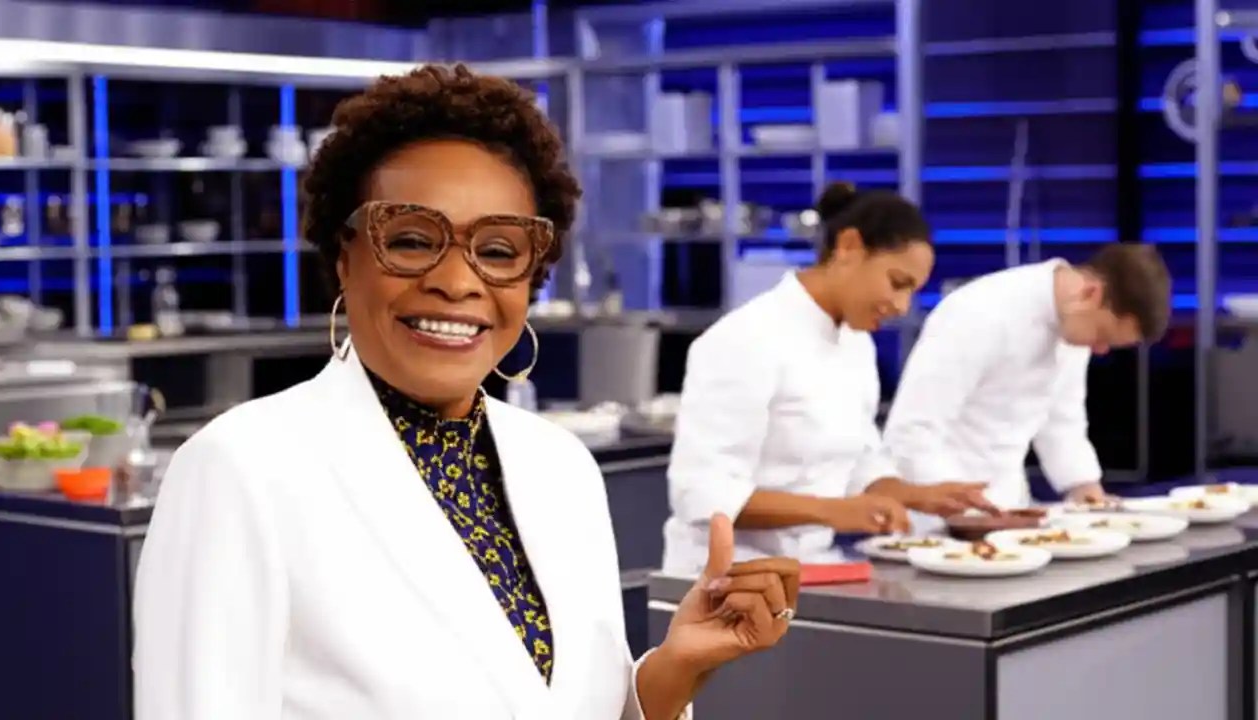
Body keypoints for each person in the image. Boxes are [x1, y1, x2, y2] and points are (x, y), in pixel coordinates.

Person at [132, 65, 801, 720]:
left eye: (501, 250)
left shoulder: (560, 466)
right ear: (346, 256)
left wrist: (670, 674)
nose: (457, 282)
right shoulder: (241, 468)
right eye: (414, 241)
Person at [660, 182, 996, 576]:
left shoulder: (856, 343)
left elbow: (856, 462)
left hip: (814, 569)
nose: (902, 306)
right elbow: (700, 494)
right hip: (723, 581)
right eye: (897, 283)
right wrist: (834, 512)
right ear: (849, 247)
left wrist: (915, 496)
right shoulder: (745, 338)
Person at [883, 243, 1172, 517]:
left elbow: (1062, 419)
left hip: (1010, 507)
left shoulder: (1075, 321)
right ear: (1091, 294)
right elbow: (911, 432)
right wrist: (964, 509)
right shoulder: (981, 313)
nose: (1100, 350)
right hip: (937, 519)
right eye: (1102, 336)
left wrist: (1083, 485)